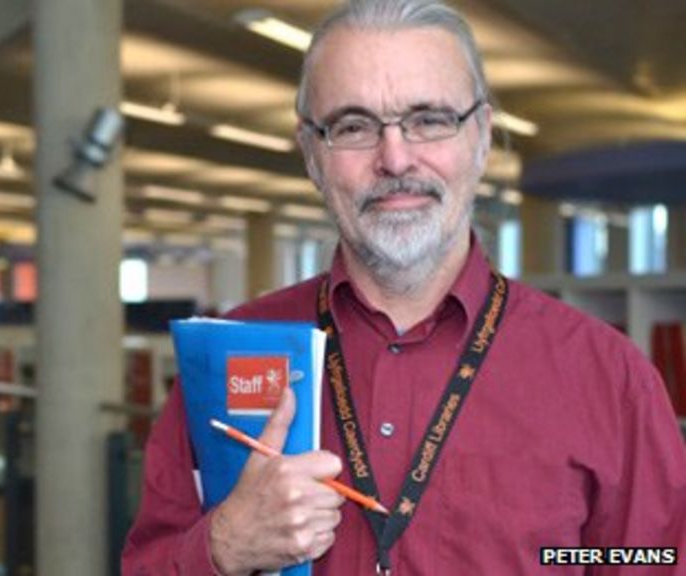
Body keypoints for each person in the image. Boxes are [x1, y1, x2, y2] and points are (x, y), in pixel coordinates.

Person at [122, 0, 686, 574]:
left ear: (483, 137)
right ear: (312, 154)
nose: (395, 158)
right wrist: (223, 548)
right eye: (353, 126)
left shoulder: (608, 378)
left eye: (430, 120)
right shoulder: (225, 355)